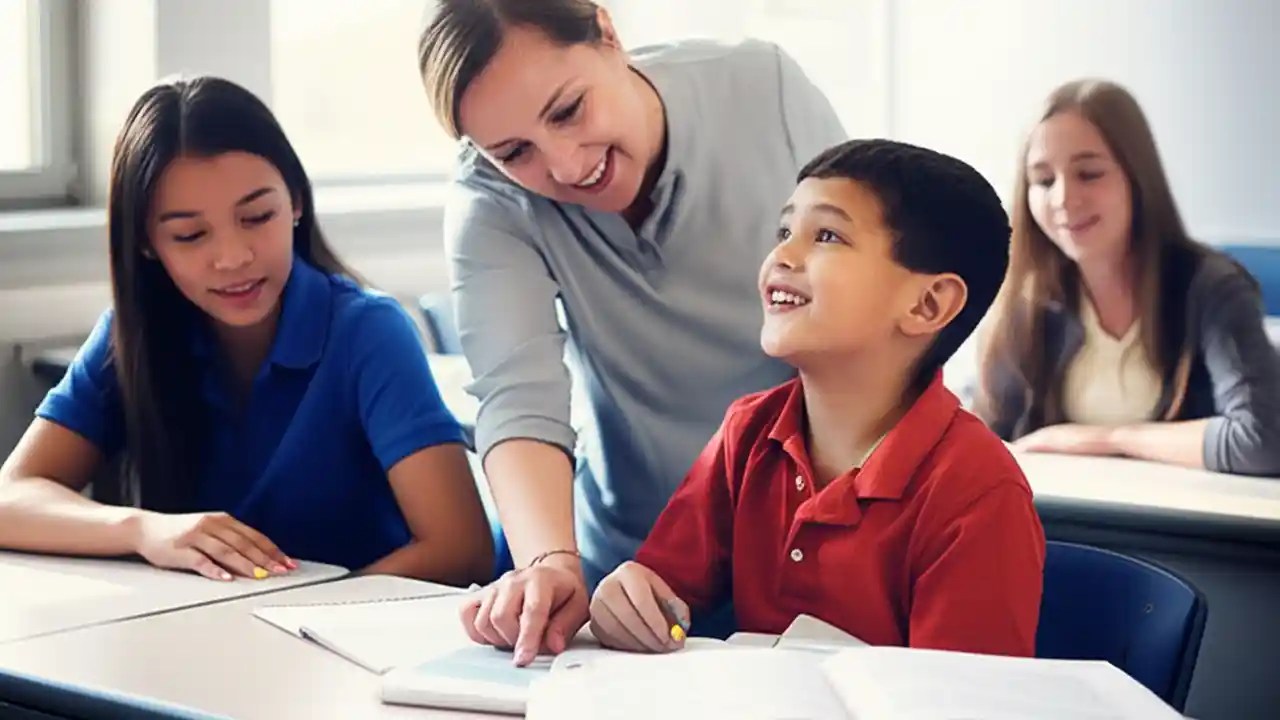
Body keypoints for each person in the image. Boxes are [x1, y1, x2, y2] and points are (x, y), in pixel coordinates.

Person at [417, 0, 847, 662]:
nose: (563, 165)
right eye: (513, 151)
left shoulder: (764, 90)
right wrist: (551, 560)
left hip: (817, 545)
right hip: (635, 580)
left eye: (567, 111)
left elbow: (865, 307)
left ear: (607, 32)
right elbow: (517, 400)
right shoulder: (490, 202)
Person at [0, 77, 494, 585]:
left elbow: (461, 549)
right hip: (210, 633)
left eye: (257, 216)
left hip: (345, 638)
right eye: (189, 235)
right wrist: (141, 529)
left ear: (296, 203)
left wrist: (292, 614)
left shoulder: (367, 332)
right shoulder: (134, 336)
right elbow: (9, 497)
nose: (233, 258)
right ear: (146, 243)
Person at [589, 139, 1045, 656]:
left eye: (826, 235)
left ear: (927, 304)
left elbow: (963, 702)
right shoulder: (748, 433)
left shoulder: (976, 490)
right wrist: (627, 605)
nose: (781, 255)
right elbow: (659, 599)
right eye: (784, 231)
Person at [975, 79, 1280, 477]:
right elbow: (980, 442)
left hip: (1179, 528)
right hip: (1062, 524)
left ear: (1136, 178)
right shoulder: (1023, 303)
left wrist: (1111, 439)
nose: (1063, 198)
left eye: (1088, 173)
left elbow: (1264, 441)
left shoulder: (1212, 288)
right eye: (1044, 180)